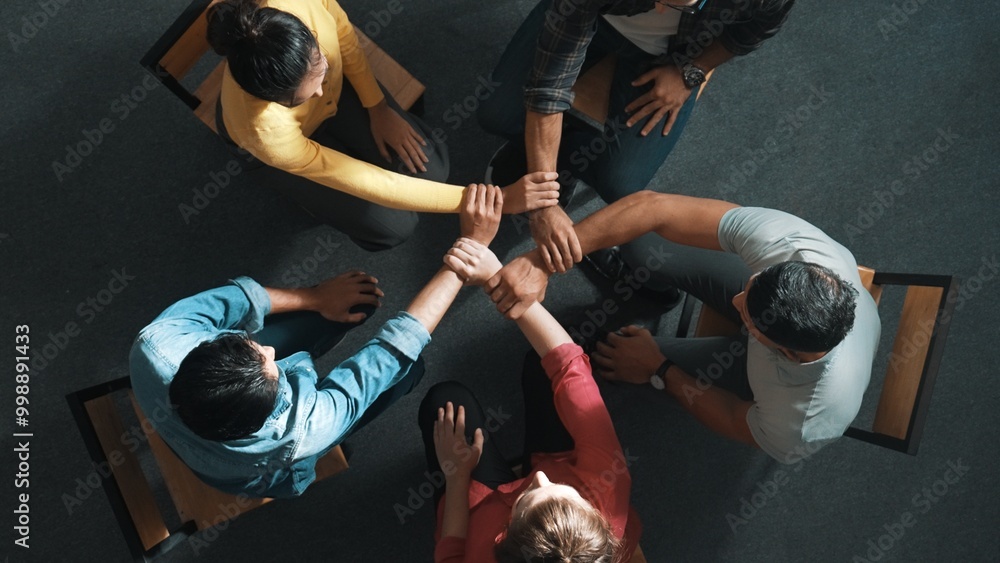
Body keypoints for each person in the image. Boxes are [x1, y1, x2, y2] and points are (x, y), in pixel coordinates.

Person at [130, 184, 505, 498]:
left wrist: (316, 298)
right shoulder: (302, 432)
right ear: (267, 409)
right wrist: (470, 250)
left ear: (203, 351)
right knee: (405, 372)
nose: (272, 350)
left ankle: (320, 318)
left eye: (250, 345)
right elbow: (391, 350)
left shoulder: (158, 342)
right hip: (254, 469)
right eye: (271, 366)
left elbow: (242, 299)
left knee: (356, 306)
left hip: (204, 430)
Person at [484, 191, 880, 463]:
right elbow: (655, 208)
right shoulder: (797, 249)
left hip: (765, 388)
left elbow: (734, 417)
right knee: (645, 240)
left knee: (606, 357)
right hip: (782, 336)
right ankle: (656, 293)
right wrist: (542, 262)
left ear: (787, 352)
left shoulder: (802, 420)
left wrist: (659, 370)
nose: (736, 300)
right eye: (750, 286)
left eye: (748, 314)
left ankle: (650, 365)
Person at [208, 0, 559, 251]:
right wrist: (481, 200)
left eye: (321, 68)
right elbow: (362, 178)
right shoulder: (264, 131)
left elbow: (342, 36)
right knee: (394, 227)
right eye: (306, 92)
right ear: (275, 99)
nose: (319, 89)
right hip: (288, 147)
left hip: (324, 105)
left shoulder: (298, 4)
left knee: (433, 170)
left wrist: (378, 107)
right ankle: (306, 198)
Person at [477, 0, 795, 272]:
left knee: (621, 183)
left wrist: (692, 71)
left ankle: (563, 146)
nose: (656, 10)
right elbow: (548, 86)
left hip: (676, 53)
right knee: (496, 114)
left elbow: (751, 31)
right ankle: (551, 144)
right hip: (587, 13)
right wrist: (545, 204)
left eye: (670, 3)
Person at [419, 237, 641, 562]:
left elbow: (451, 553)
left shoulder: (483, 553)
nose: (537, 476)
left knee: (446, 402)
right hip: (564, 460)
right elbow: (570, 368)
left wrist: (457, 477)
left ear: (505, 540)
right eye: (564, 493)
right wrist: (499, 281)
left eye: (530, 495)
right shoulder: (607, 486)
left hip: (483, 505)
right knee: (546, 363)